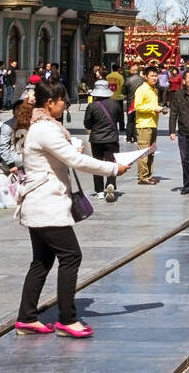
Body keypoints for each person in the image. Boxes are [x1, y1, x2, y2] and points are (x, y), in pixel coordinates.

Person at [13, 80, 133, 338]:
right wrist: (113, 168)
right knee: (71, 256)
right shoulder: (45, 128)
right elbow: (74, 160)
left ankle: (27, 317)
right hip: (47, 203)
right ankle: (67, 318)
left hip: (39, 202)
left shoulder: (38, 126)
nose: (65, 105)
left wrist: (71, 149)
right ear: (49, 103)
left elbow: (62, 156)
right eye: (62, 101)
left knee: (42, 261)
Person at [83, 78, 125, 203]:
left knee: (97, 164)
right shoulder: (115, 104)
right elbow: (119, 119)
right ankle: (110, 184)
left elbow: (87, 124)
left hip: (96, 139)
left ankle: (99, 191)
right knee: (111, 162)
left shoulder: (92, 106)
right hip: (112, 138)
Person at [133, 67, 163, 185]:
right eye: (152, 76)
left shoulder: (154, 90)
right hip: (144, 124)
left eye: (156, 76)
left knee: (151, 151)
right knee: (143, 152)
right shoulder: (141, 89)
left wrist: (159, 109)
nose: (155, 78)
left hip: (153, 123)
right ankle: (143, 176)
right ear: (145, 76)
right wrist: (153, 108)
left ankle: (149, 175)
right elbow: (138, 106)